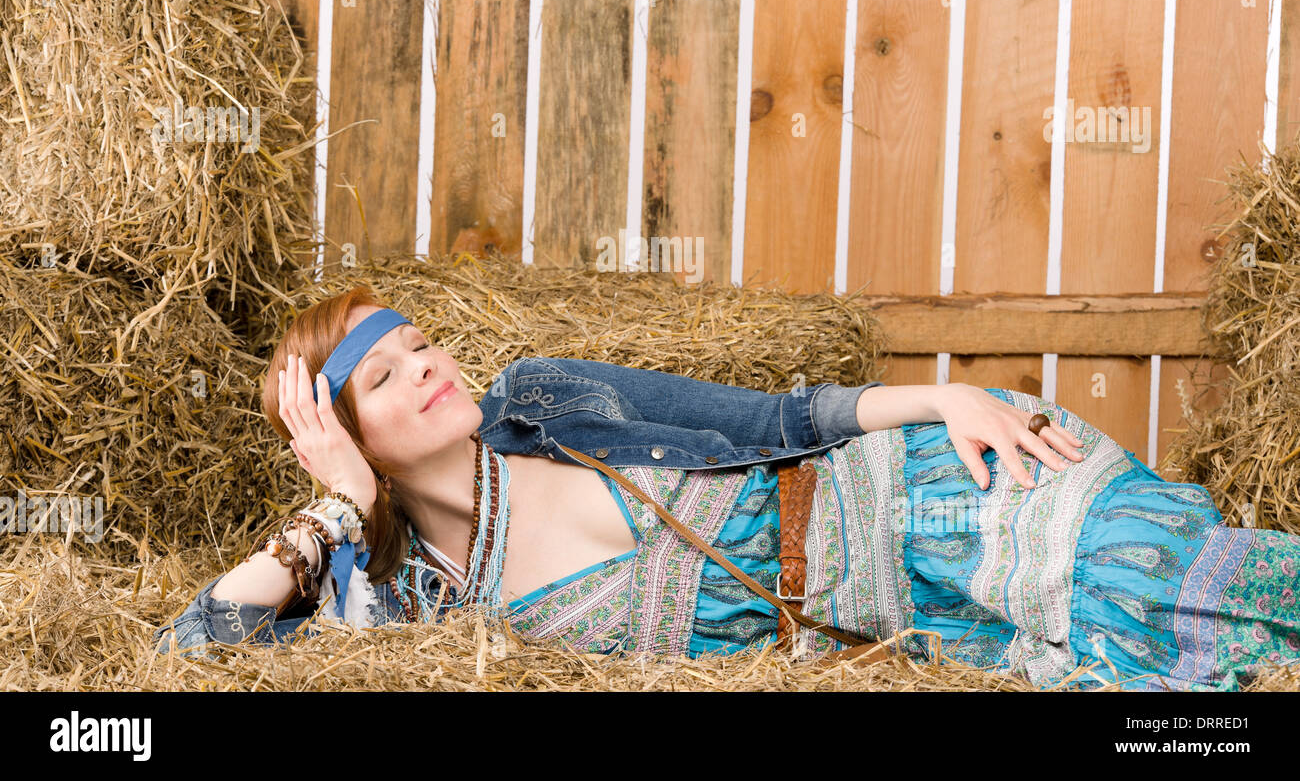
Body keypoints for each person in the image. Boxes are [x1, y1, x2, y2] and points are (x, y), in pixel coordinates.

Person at [154, 284, 1300, 691]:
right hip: (901, 616)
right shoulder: (414, 608)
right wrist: (339, 507)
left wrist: (944, 394)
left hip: (923, 494)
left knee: (1176, 585)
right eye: (389, 375)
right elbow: (188, 654)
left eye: (422, 343)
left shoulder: (542, 396)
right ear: (343, 432)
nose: (430, 366)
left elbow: (770, 420)